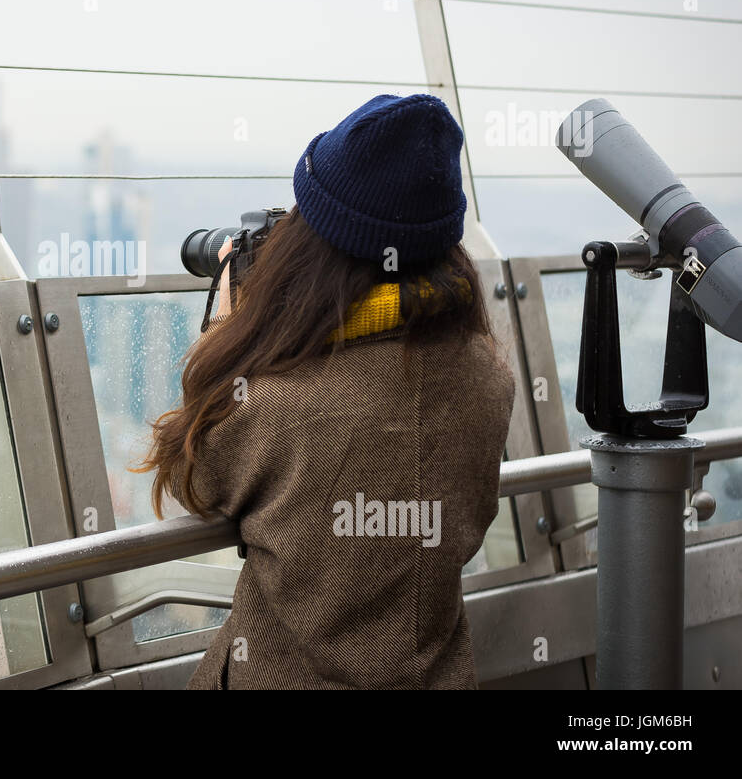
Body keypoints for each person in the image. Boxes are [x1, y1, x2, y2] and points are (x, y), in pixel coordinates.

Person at [135, 93, 516, 689]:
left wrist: (232, 326)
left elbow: (193, 476)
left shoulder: (273, 404)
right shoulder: (489, 380)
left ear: (319, 246)